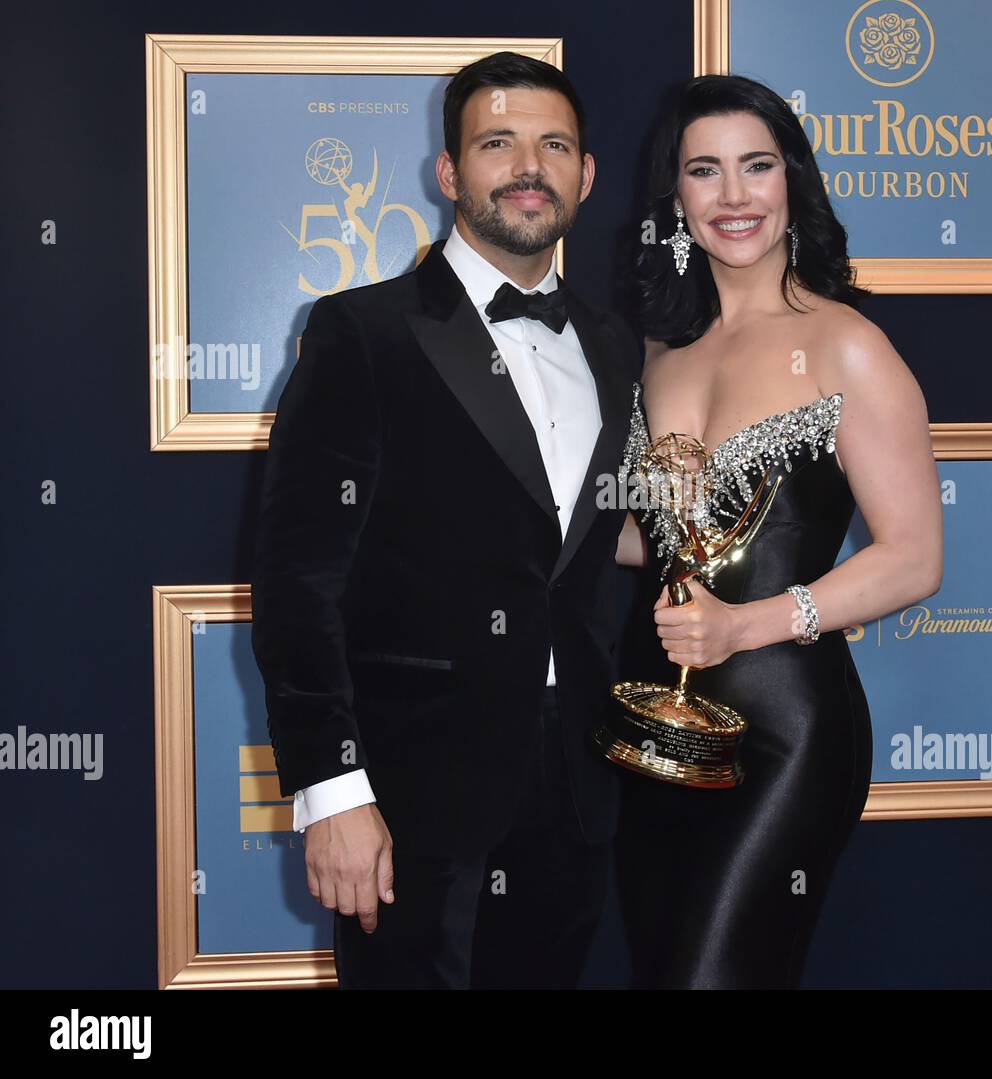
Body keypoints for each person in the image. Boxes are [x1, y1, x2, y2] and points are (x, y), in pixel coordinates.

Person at [251, 51, 640, 989]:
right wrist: (334, 790)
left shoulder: (618, 345)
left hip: (582, 786)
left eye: (554, 144)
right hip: (411, 793)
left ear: (585, 174)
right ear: (450, 173)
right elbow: (299, 581)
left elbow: (606, 548)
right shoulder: (361, 334)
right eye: (496, 142)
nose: (527, 166)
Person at [611, 74, 943, 988]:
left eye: (756, 167)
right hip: (657, 734)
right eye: (704, 171)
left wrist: (743, 626)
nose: (733, 196)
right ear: (673, 197)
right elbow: (658, 538)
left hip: (787, 733)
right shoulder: (654, 351)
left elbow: (914, 558)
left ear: (791, 180)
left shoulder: (846, 344)